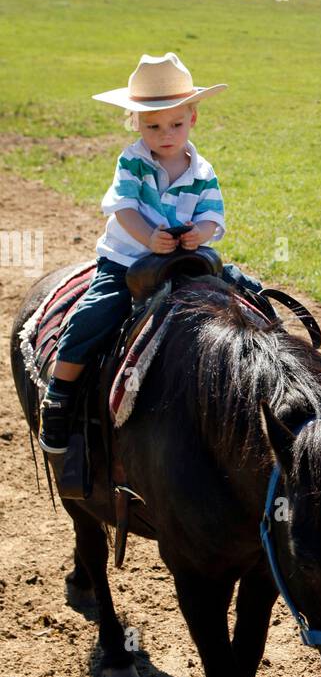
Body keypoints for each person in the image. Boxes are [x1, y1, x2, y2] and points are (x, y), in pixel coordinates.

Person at [38, 51, 263, 454]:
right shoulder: (132, 162)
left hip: (185, 261)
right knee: (95, 314)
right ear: (136, 122)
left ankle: (259, 390)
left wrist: (200, 233)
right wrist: (147, 237)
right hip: (129, 262)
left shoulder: (203, 171)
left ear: (192, 118)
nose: (165, 133)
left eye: (175, 123)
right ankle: (60, 393)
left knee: (245, 302)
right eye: (152, 125)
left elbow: (213, 215)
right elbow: (122, 209)